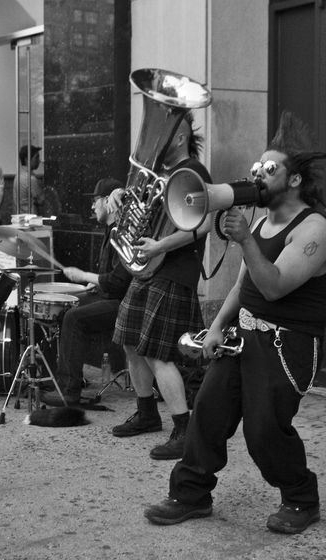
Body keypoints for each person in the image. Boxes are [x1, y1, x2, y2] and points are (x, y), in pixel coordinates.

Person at [145, 113, 326, 534]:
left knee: (264, 431)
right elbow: (244, 286)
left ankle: (301, 498)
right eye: (255, 168)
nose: (257, 174)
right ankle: (190, 494)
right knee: (208, 413)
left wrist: (245, 240)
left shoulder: (315, 228)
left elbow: (275, 285)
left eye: (270, 169)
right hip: (242, 335)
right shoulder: (263, 222)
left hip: (287, 345)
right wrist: (217, 327)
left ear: (295, 180)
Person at [110, 111, 212, 460]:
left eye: (163, 138)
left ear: (180, 139)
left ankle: (184, 429)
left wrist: (160, 246)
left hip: (174, 270)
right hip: (150, 269)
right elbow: (147, 211)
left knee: (157, 352)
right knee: (130, 342)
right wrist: (122, 198)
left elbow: (205, 224)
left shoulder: (194, 173)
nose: (155, 144)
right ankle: (146, 413)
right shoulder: (164, 174)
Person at [55, 177, 131, 403]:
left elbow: (119, 282)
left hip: (124, 304)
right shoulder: (110, 230)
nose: (91, 206)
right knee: (65, 308)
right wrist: (94, 283)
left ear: (108, 201)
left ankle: (70, 392)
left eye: (95, 201)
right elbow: (111, 276)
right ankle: (69, 378)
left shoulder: (122, 233)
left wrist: (83, 275)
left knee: (73, 318)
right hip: (111, 296)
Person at [15, 145, 44, 215]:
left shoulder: (18, 176)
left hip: (20, 218)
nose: (39, 161)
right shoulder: (31, 179)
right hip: (31, 220)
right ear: (27, 159)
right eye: (36, 157)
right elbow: (42, 200)